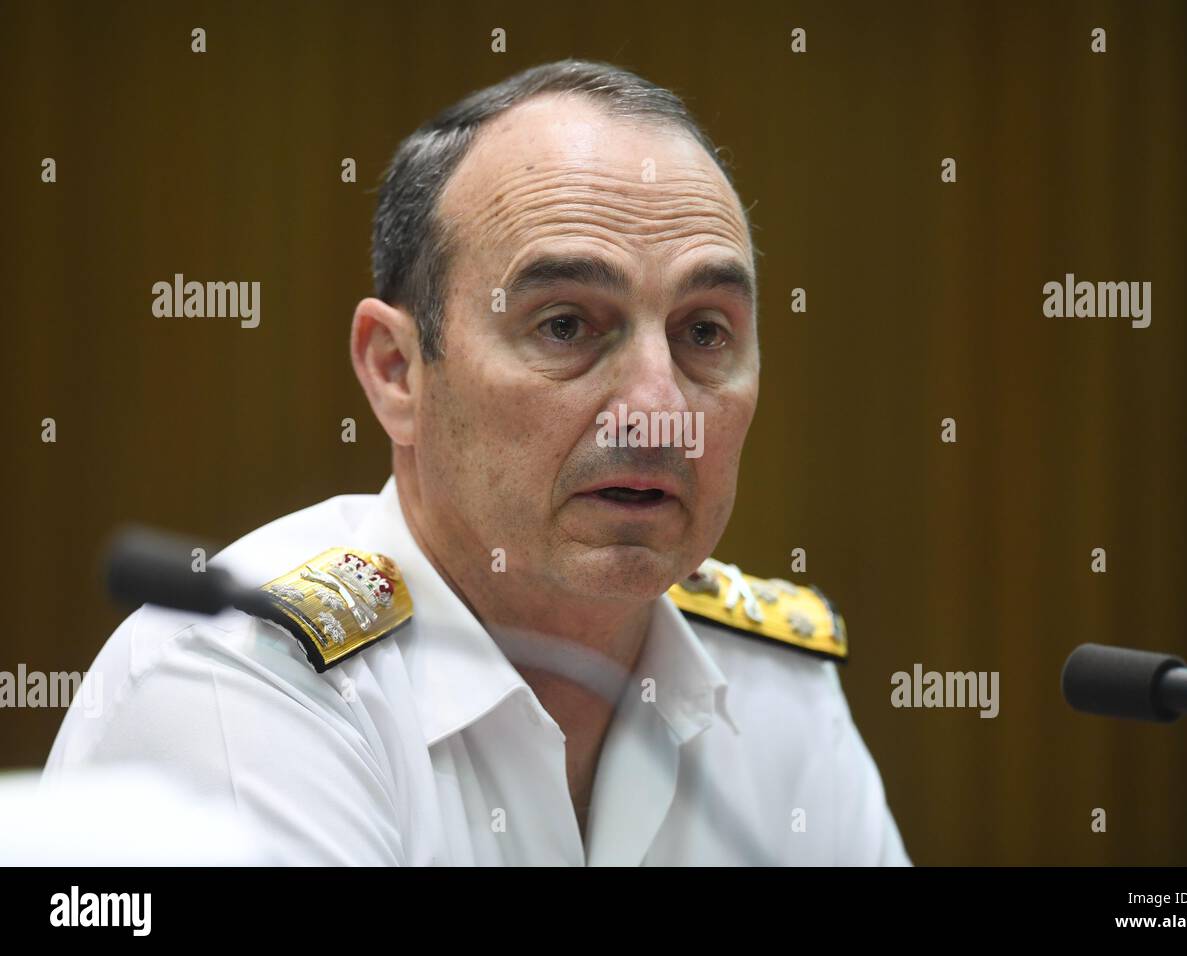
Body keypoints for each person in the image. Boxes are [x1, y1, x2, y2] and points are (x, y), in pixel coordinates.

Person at [44, 59, 910, 866]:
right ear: (397, 371)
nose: (659, 412)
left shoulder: (773, 685)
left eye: (704, 334)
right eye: (565, 326)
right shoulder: (246, 681)